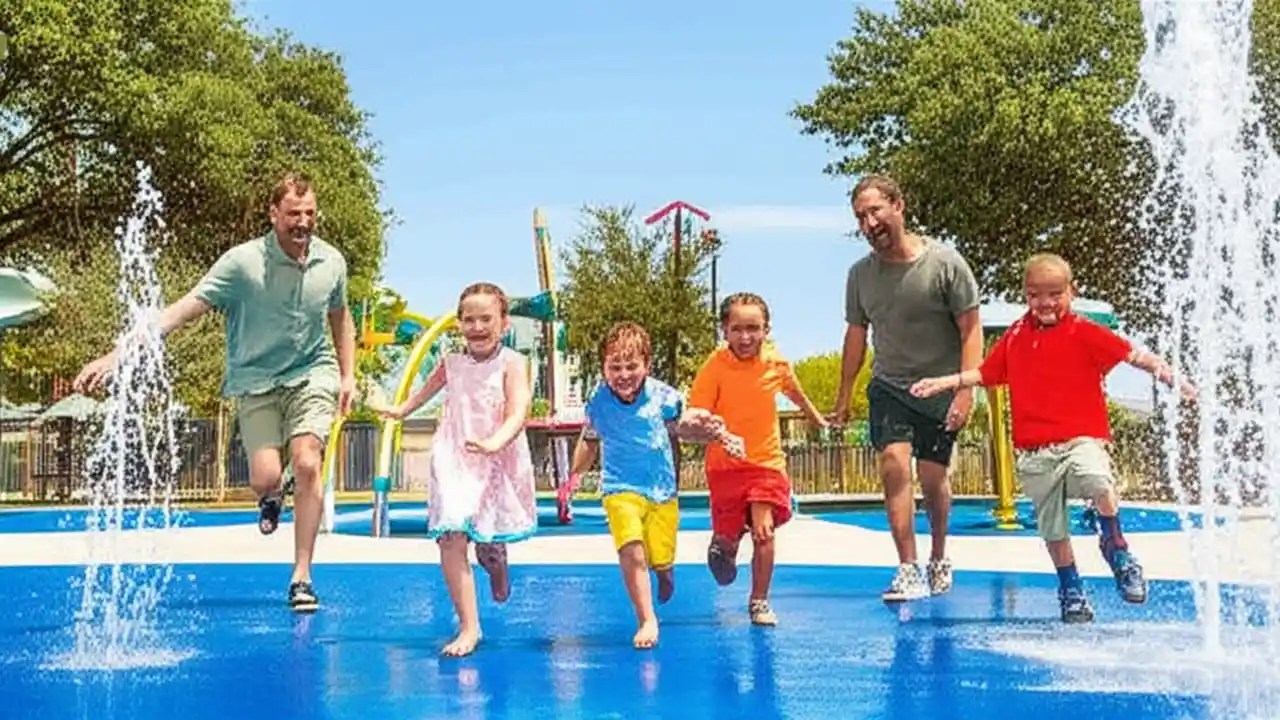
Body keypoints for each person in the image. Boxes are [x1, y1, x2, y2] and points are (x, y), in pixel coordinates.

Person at [73, 172, 355, 613]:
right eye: (293, 214)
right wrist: (117, 356)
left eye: (310, 214)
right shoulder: (242, 264)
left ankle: (302, 575)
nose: (303, 223)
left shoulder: (331, 261)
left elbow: (340, 317)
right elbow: (181, 311)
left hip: (311, 373)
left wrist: (347, 374)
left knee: (307, 462)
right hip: (255, 379)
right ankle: (271, 494)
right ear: (273, 214)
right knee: (264, 476)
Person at [911, 253, 1196, 622]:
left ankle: (1116, 546)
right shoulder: (1016, 335)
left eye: (1054, 294)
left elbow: (1131, 354)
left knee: (1097, 480)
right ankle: (1071, 588)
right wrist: (945, 382)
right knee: (1053, 527)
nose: (1044, 303)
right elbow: (986, 372)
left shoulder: (1084, 331)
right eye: (1035, 295)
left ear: (1071, 292)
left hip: (1081, 439)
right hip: (1034, 451)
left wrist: (1169, 374)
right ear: (1025, 295)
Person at [832, 174, 983, 602]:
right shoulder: (860, 275)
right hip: (890, 387)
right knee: (894, 467)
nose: (868, 223)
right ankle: (907, 567)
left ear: (898, 206)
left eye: (875, 211)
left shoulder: (946, 263)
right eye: (860, 217)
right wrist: (844, 396)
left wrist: (965, 391)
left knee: (934, 481)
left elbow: (971, 330)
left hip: (940, 387)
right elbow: (856, 336)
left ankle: (938, 555)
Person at [370, 282, 537, 656]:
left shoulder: (513, 363)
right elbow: (424, 392)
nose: (477, 327)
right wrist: (400, 411)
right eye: (469, 319)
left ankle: (495, 561)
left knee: (487, 541)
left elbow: (519, 409)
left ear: (504, 323)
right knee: (451, 534)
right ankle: (469, 626)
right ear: (459, 323)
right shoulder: (452, 362)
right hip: (454, 454)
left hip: (495, 455)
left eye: (486, 319)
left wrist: (497, 440)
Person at [567, 322, 740, 649]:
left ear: (647, 365)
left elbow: (684, 430)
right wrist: (574, 477)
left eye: (631, 366)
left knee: (660, 555)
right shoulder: (599, 400)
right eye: (614, 366)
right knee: (631, 549)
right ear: (603, 367)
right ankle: (646, 619)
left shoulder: (664, 396)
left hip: (662, 491)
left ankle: (664, 571)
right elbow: (590, 440)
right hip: (620, 488)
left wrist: (713, 433)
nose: (623, 374)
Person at [684, 292, 826, 626]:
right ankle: (726, 548)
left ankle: (759, 601)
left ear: (766, 330)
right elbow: (697, 409)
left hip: (765, 463)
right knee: (726, 541)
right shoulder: (714, 366)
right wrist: (697, 424)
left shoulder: (776, 363)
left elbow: (795, 391)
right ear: (724, 330)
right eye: (737, 329)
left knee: (764, 530)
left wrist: (816, 417)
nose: (745, 337)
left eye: (754, 328)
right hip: (725, 466)